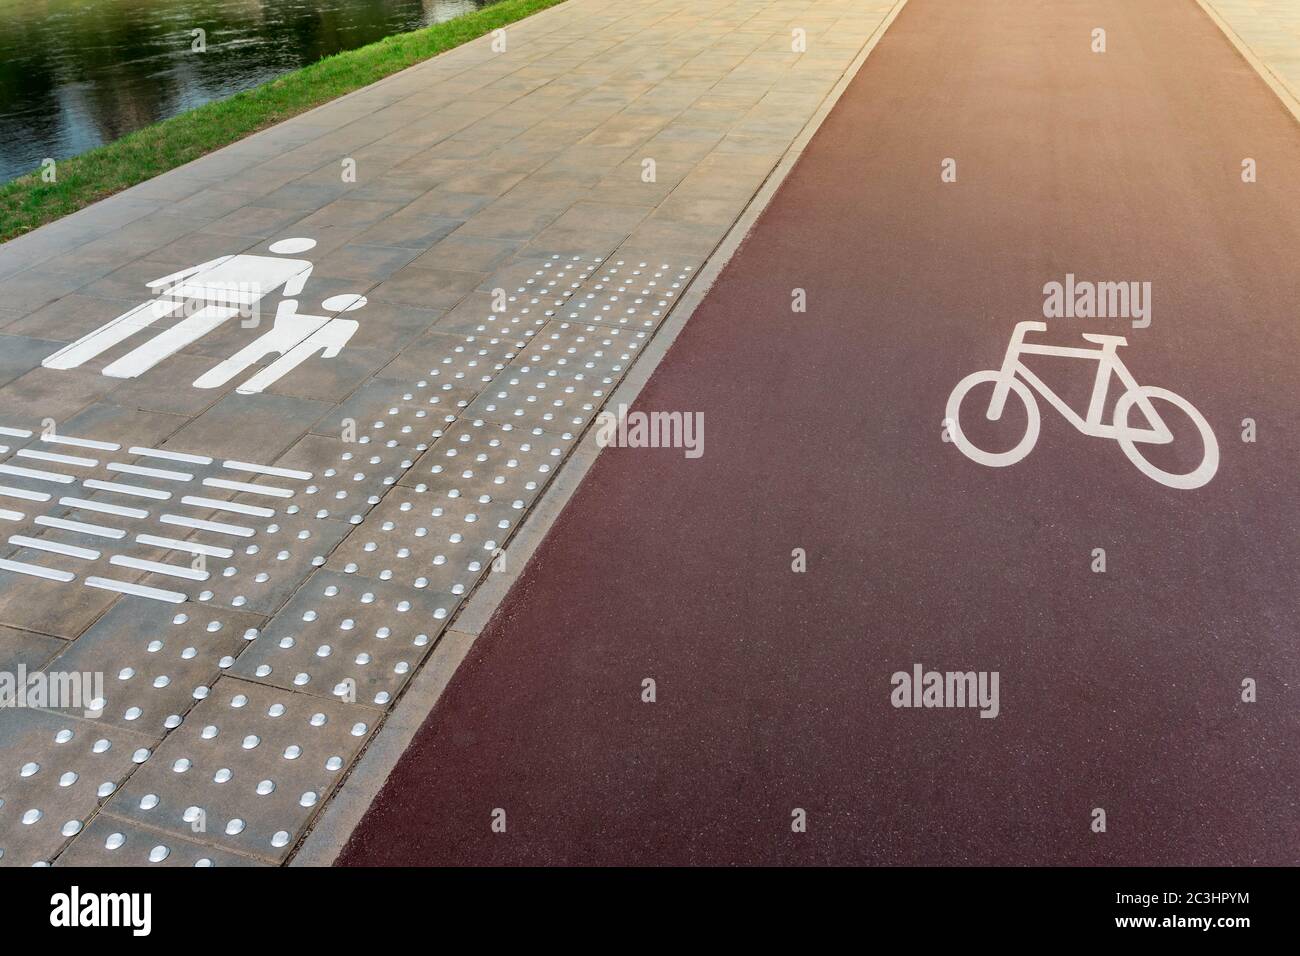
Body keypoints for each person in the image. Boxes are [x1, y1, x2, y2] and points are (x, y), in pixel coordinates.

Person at [43, 237, 317, 377]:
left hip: (182, 294)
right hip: (231, 304)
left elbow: (195, 269)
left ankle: (71, 357)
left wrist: (162, 281)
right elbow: (291, 291)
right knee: (178, 334)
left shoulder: (236, 256)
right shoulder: (299, 264)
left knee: (130, 324)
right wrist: (285, 312)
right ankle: (128, 365)